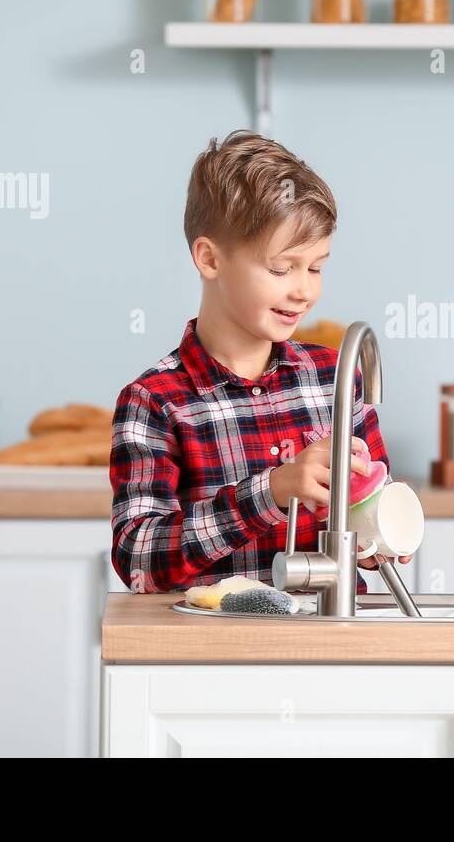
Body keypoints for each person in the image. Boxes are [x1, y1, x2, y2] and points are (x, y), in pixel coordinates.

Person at [109, 131, 409, 594]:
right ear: (209, 258)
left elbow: (365, 522)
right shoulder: (155, 402)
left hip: (331, 651)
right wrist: (269, 492)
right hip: (216, 657)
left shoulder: (336, 377)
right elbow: (139, 559)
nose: (304, 291)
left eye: (316, 267)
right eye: (281, 268)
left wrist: (381, 529)